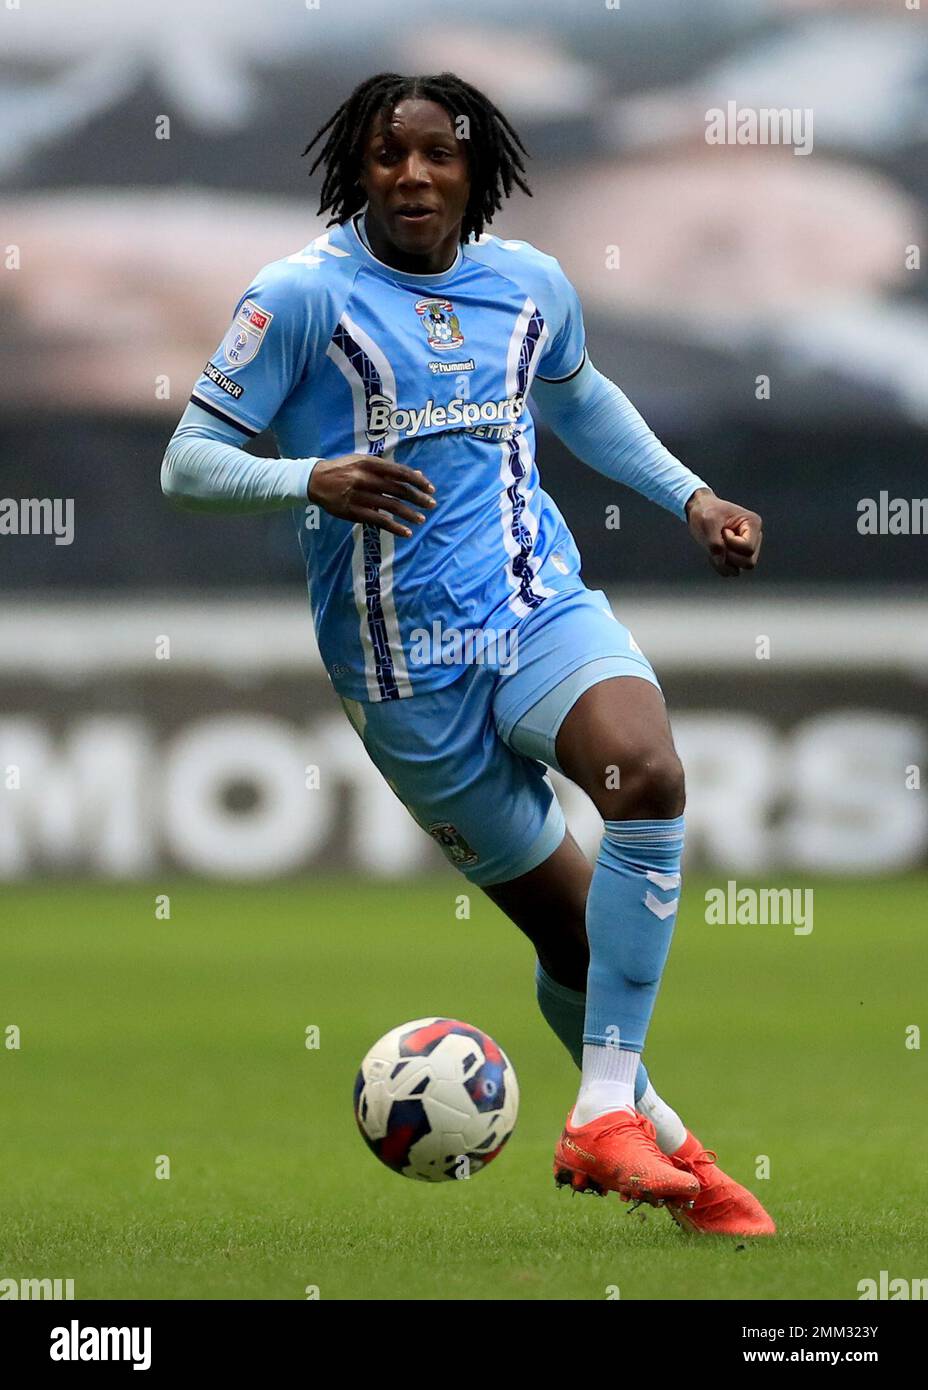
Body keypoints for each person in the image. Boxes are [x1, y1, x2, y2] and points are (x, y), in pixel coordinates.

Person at [162, 71, 773, 1235]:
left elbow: (578, 399)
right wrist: (308, 477)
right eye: (388, 154)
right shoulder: (299, 298)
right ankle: (667, 1143)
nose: (412, 174)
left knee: (646, 774)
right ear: (357, 169)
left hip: (535, 611)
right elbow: (187, 463)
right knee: (573, 936)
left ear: (474, 171)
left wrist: (690, 496)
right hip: (402, 672)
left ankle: (601, 1112)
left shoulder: (529, 284)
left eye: (437, 154)